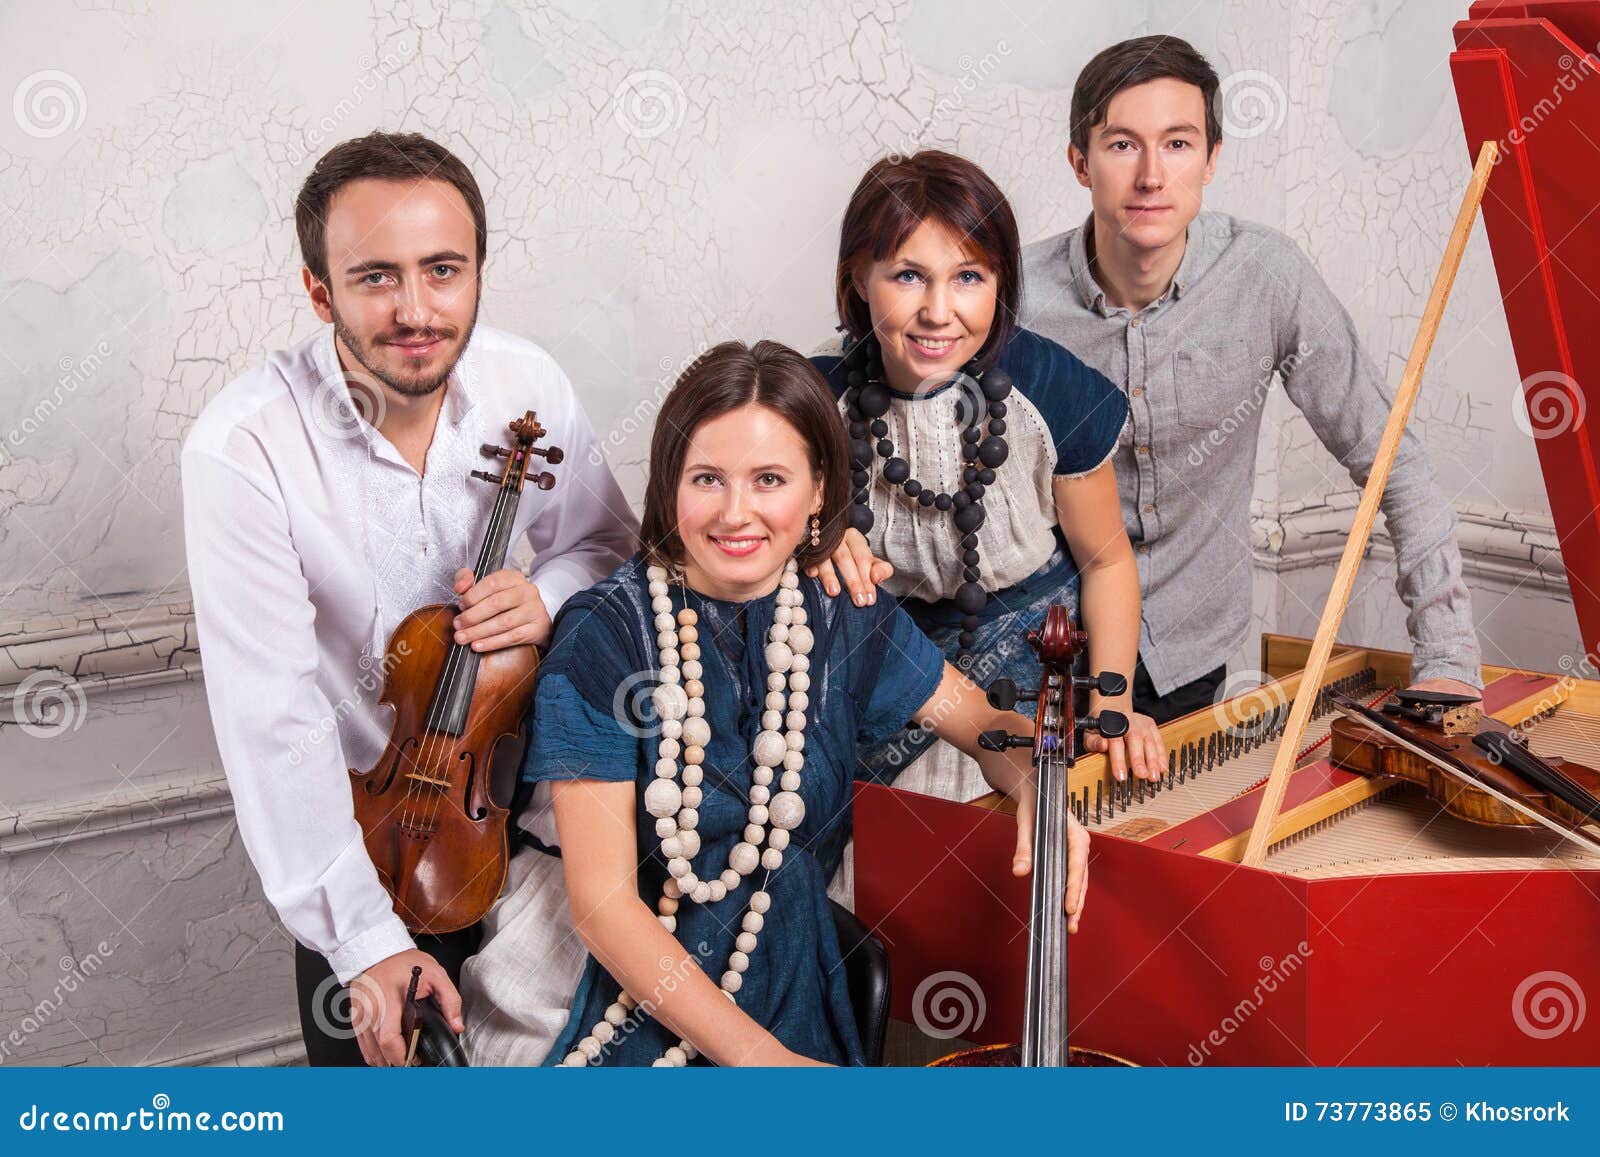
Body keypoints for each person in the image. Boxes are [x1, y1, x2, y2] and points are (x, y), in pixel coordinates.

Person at [459, 339, 1088, 1066]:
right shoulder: (605, 636)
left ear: (819, 490)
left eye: (768, 479)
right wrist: (771, 1068)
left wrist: (1036, 778)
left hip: (778, 973)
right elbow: (603, 908)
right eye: (707, 478)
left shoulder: (840, 610)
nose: (736, 513)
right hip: (595, 985)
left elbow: (981, 724)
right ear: (668, 485)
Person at [181, 131, 637, 1068]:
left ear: (476, 273)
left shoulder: (528, 382)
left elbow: (606, 548)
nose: (419, 309)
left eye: (443, 270)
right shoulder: (242, 449)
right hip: (362, 841)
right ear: (321, 292)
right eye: (377, 277)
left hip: (533, 817)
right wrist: (361, 938)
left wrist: (547, 595)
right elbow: (274, 718)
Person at [1017, 35, 1481, 719]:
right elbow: (866, 368)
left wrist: (1447, 658)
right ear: (1080, 163)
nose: (1152, 175)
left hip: (1187, 658)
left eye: (1177, 144)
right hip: (1033, 651)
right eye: (1122, 145)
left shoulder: (1266, 275)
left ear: (1211, 159)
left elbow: (1391, 460)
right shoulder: (1013, 295)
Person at [810, 150, 1164, 793]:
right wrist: (816, 537)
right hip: (894, 667)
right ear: (859, 277)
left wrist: (1109, 712)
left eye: (969, 276)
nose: (939, 312)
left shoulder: (1050, 390)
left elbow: (1108, 562)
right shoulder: (812, 403)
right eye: (909, 276)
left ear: (1001, 281)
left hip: (1044, 659)